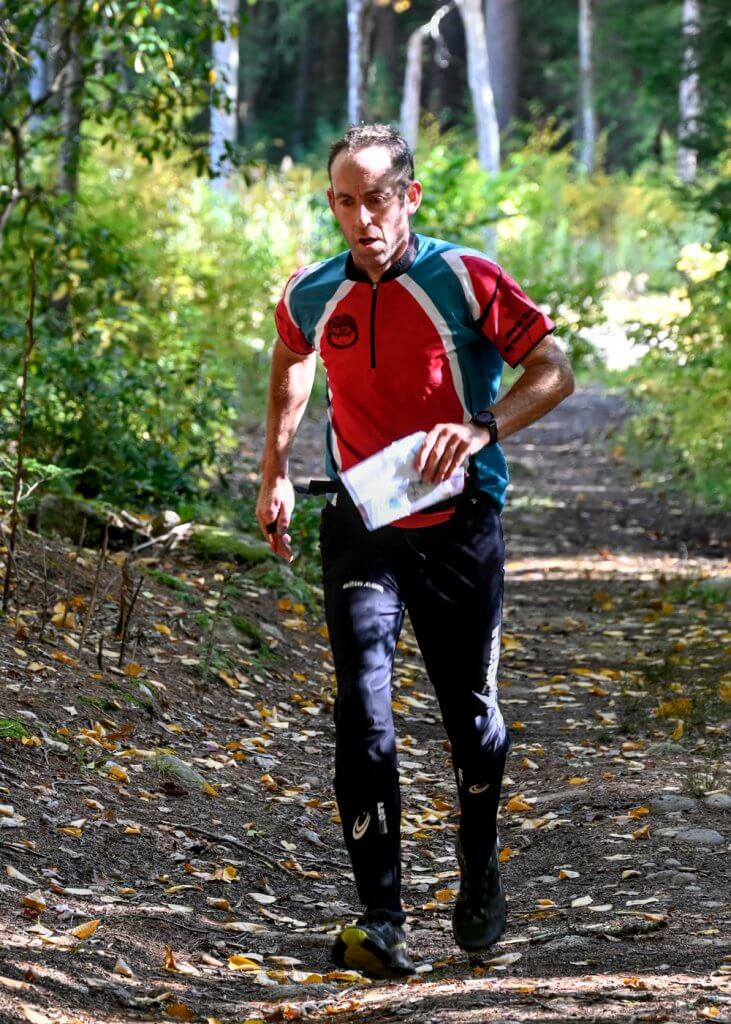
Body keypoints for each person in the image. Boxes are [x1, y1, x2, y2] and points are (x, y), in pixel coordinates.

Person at [256, 123, 574, 979]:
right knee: (360, 706)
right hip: (361, 524)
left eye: (380, 200)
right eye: (347, 202)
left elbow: (553, 369)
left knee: (469, 717)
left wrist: (479, 429)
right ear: (332, 204)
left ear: (411, 198)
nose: (364, 219)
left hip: (459, 526)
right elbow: (292, 358)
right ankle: (383, 916)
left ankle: (478, 870)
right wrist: (276, 470)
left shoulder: (462, 278)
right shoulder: (314, 292)